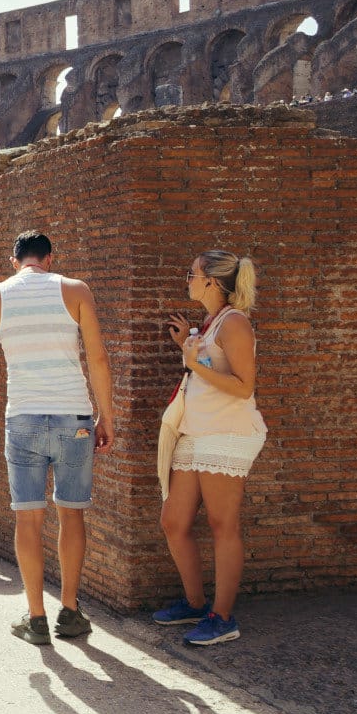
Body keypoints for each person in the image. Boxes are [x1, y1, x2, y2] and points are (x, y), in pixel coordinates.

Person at [0, 231, 115, 646]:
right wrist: (108, 414)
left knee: (28, 517)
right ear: (49, 259)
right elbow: (98, 357)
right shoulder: (76, 290)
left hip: (24, 418)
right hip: (75, 416)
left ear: (14, 262)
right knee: (72, 513)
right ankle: (70, 611)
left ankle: (35, 617)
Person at [155, 251, 268, 646]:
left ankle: (222, 617)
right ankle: (195, 602)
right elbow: (207, 367)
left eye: (193, 274)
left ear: (213, 283)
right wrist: (189, 341)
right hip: (196, 430)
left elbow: (243, 386)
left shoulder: (235, 323)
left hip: (227, 432)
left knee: (223, 524)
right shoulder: (212, 322)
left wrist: (193, 361)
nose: (187, 279)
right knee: (174, 520)